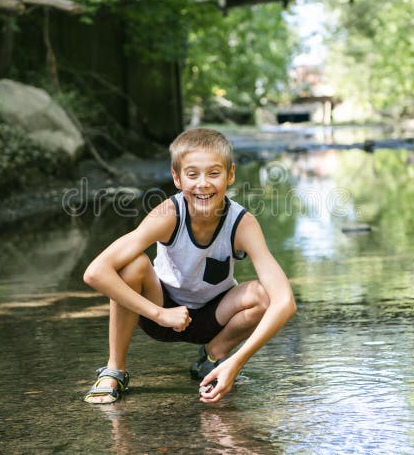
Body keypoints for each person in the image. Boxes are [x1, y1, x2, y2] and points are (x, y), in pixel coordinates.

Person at [82, 127, 296, 404]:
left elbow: (285, 302)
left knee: (263, 295)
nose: (203, 184)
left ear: (230, 175)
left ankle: (213, 355)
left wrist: (236, 362)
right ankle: (115, 369)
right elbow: (95, 272)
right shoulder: (167, 215)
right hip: (162, 311)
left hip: (213, 320)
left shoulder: (242, 224)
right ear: (177, 178)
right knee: (131, 265)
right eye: (192, 174)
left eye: (214, 173)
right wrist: (159, 314)